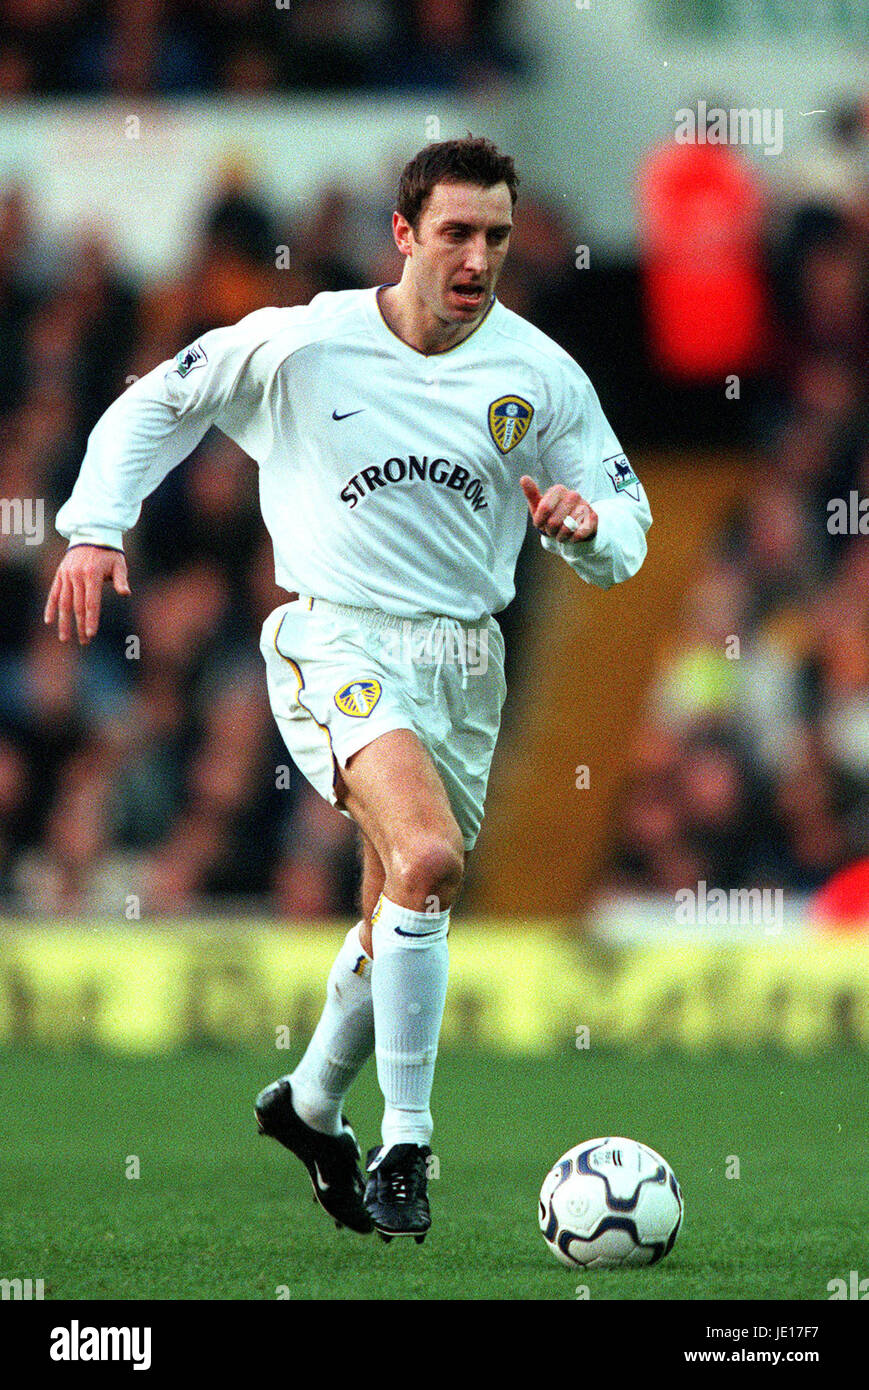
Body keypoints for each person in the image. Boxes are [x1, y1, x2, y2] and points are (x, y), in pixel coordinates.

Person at [44, 136, 652, 1243]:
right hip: (335, 641)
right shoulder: (305, 342)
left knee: (400, 904)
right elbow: (157, 403)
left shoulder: (540, 374)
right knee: (427, 860)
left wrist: (584, 531)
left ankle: (309, 1105)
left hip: (465, 661)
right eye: (456, 234)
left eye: (497, 238)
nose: (476, 259)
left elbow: (627, 526)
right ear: (404, 235)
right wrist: (93, 527)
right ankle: (407, 1142)